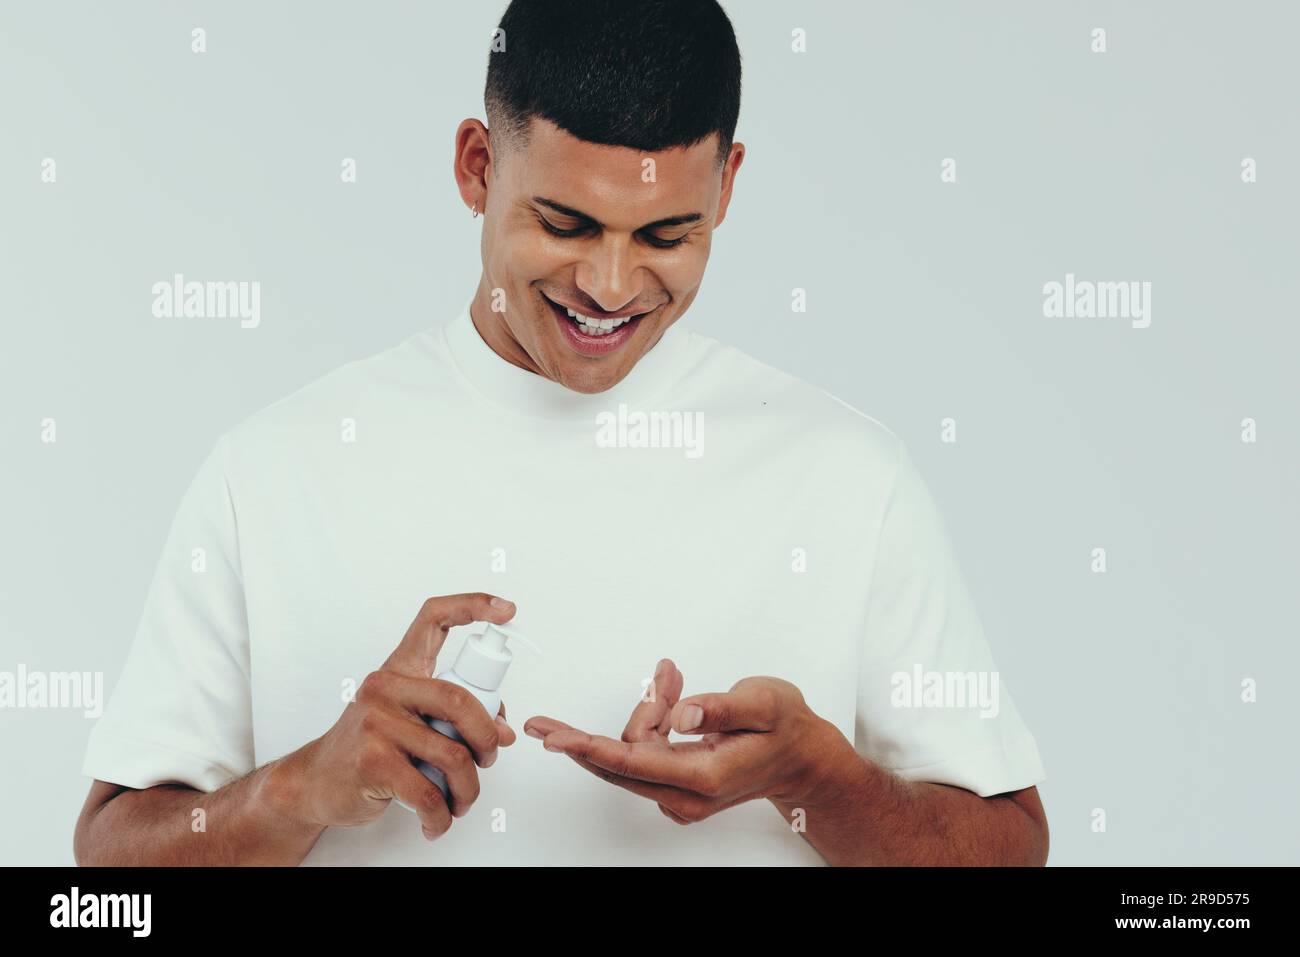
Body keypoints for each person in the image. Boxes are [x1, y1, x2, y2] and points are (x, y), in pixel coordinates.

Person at [74, 0, 1048, 866]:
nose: (612, 288)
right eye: (566, 224)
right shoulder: (273, 468)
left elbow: (1012, 849)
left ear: (728, 187)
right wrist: (302, 788)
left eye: (667, 235)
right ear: (476, 166)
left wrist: (816, 783)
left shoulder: (848, 477)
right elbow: (108, 868)